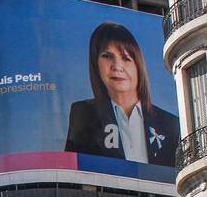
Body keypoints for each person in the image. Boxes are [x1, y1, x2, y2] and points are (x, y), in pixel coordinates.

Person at [64, 21, 179, 167]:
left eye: (125, 58)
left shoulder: (169, 123)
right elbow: (72, 172)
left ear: (138, 66)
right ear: (95, 63)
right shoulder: (83, 113)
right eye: (107, 56)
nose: (117, 67)